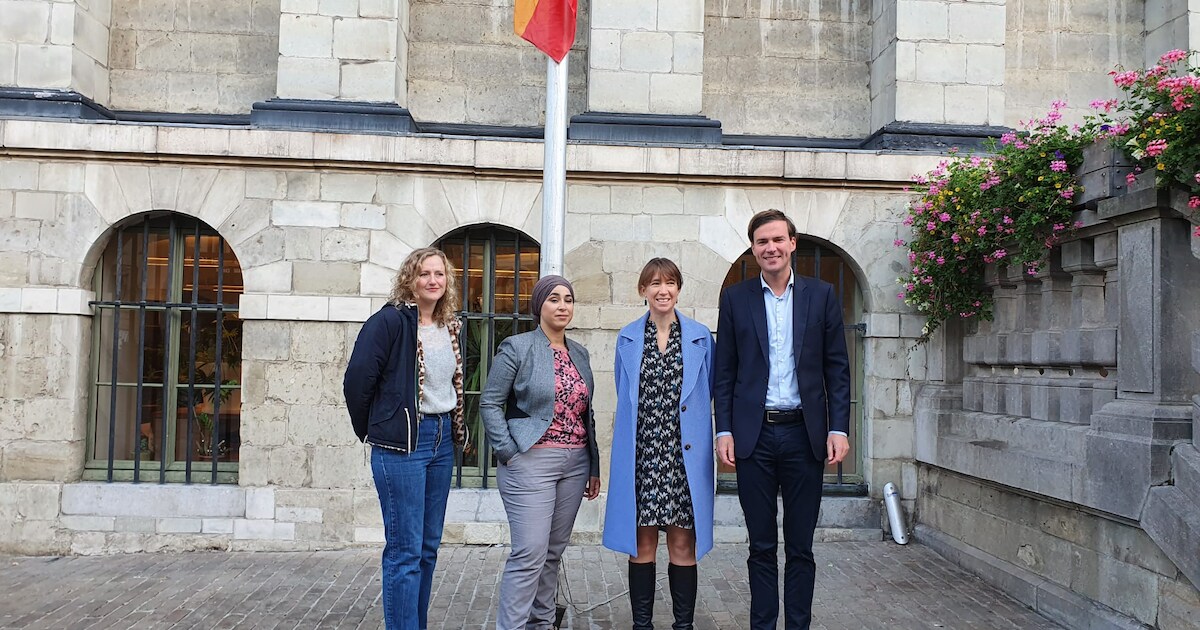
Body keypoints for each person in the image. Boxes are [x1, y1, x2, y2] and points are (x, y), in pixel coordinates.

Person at [713, 209, 852, 630]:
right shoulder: (736, 298)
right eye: (761, 242)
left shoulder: (821, 295)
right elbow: (726, 371)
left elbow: (837, 368)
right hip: (753, 438)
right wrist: (724, 429)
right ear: (753, 249)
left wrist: (838, 427)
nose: (770, 248)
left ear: (792, 243)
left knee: (801, 547)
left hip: (803, 436)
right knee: (759, 545)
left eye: (777, 240)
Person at [343, 247, 467, 630]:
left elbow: (453, 384)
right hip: (402, 447)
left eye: (440, 274)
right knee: (404, 552)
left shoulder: (450, 325)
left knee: (427, 549)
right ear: (410, 280)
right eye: (424, 273)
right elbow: (357, 381)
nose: (433, 280)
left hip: (441, 440)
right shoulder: (389, 323)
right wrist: (376, 428)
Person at [481, 275, 602, 630]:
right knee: (529, 554)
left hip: (575, 462)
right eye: (553, 299)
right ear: (539, 306)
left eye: (568, 299)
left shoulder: (579, 352)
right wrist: (509, 453)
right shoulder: (516, 347)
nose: (562, 305)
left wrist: (593, 466)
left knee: (551, 555)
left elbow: (586, 413)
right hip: (530, 460)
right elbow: (490, 403)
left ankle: (542, 624)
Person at [603, 258, 715, 630]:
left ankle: (683, 625)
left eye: (669, 282)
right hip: (643, 454)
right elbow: (625, 391)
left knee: (683, 545)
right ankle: (642, 625)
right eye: (654, 283)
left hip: (685, 456)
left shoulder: (700, 336)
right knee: (643, 543)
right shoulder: (628, 337)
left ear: (679, 289)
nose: (662, 289)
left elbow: (706, 393)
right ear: (643, 291)